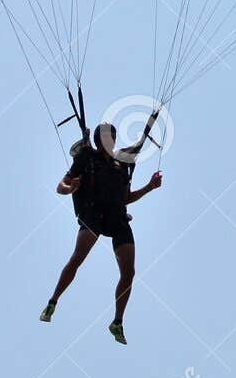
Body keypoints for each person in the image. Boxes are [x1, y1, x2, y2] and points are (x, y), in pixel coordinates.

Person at [39, 121, 162, 343]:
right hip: (94, 215)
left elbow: (126, 198)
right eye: (105, 136)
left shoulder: (122, 163)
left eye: (112, 136)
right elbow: (60, 186)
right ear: (97, 141)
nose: (110, 140)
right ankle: (52, 302)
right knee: (77, 259)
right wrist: (72, 188)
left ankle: (117, 322)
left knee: (129, 272)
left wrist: (149, 187)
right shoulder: (87, 158)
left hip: (117, 218)